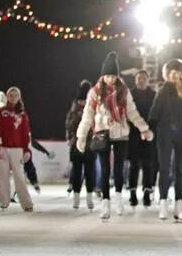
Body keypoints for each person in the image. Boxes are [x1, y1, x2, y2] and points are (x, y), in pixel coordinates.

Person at [76, 53, 153, 221]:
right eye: (107, 76)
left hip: (121, 134)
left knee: (118, 168)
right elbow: (87, 116)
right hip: (102, 133)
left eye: (113, 76)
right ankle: (105, 202)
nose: (110, 79)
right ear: (103, 75)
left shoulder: (124, 92)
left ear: (117, 76)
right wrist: (81, 136)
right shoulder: (95, 92)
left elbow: (132, 113)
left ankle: (118, 199)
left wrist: (143, 128)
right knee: (105, 169)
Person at [149, 60, 182, 222]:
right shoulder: (165, 90)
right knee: (168, 169)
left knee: (179, 170)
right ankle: (164, 204)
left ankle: (178, 206)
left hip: (178, 133)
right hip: (167, 134)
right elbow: (154, 113)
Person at [0, 86, 34, 212]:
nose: (13, 97)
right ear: (7, 97)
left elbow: (26, 133)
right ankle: (3, 201)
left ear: (19, 97)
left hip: (17, 149)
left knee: (19, 176)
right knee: (2, 176)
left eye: (15, 95)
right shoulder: (0, 111)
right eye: (10, 95)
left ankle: (26, 203)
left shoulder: (22, 114)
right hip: (2, 148)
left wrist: (27, 150)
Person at [126, 71, 157, 208]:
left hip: (149, 134)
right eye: (139, 78)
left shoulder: (154, 95)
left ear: (148, 79)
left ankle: (147, 192)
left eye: (144, 78)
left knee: (148, 165)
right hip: (133, 134)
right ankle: (132, 192)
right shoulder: (129, 95)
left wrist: (150, 130)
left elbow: (157, 114)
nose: (141, 80)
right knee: (134, 165)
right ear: (135, 80)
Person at [65, 81, 97, 210]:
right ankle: (76, 197)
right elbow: (69, 125)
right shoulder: (73, 110)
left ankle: (89, 197)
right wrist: (78, 115)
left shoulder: (94, 108)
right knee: (77, 171)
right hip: (77, 144)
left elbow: (96, 125)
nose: (83, 103)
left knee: (90, 172)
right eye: (81, 101)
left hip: (90, 144)